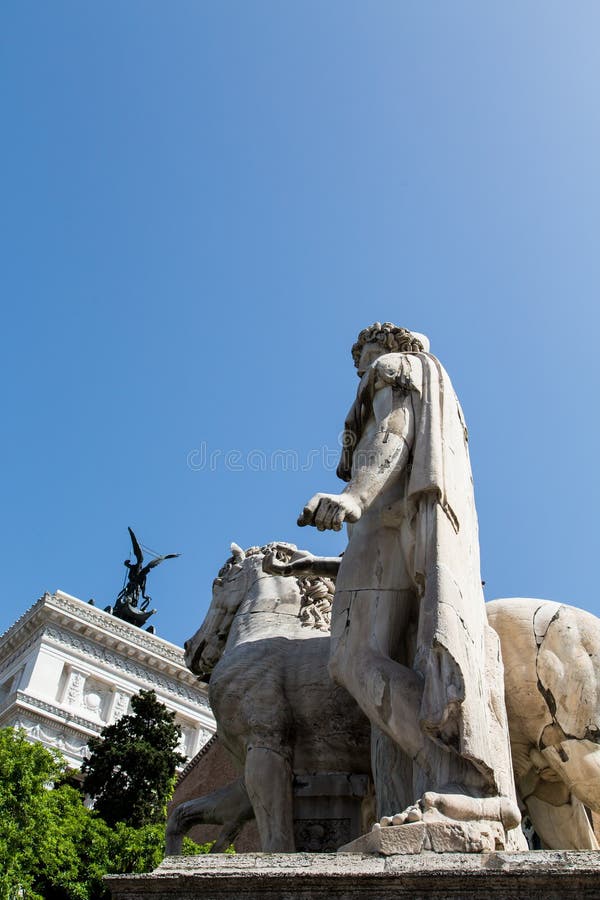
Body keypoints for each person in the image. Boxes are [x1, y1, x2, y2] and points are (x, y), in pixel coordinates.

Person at [297, 323, 521, 839]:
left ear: (384, 346)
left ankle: (457, 777)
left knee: (351, 657)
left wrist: (354, 496)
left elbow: (392, 433)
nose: (359, 364)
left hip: (381, 527)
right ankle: (451, 779)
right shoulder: (441, 390)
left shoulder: (392, 369)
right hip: (402, 533)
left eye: (362, 352)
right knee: (380, 656)